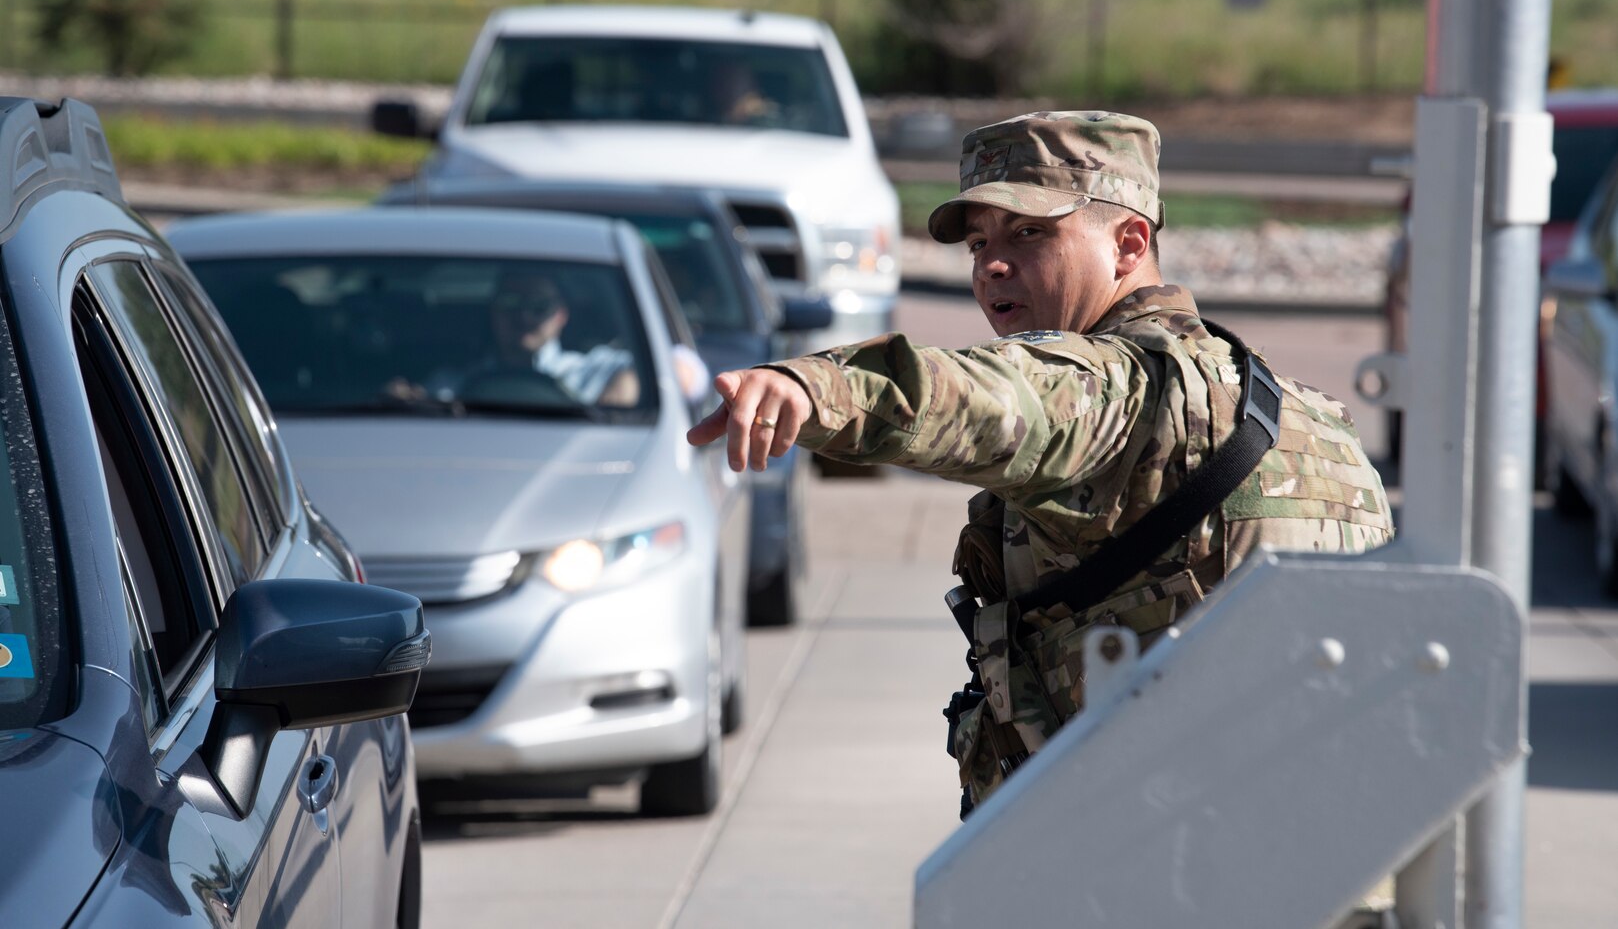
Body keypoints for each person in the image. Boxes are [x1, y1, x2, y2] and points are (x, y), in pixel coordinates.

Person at [686, 110, 1394, 812]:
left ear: (1128, 243)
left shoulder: (1120, 389)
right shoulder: (1313, 415)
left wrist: (819, 388)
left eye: (1030, 233)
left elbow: (988, 396)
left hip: (1160, 844)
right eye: (978, 242)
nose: (990, 264)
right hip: (1335, 834)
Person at [407, 271, 640, 407]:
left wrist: (629, 384)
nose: (524, 317)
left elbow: (651, 369)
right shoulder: (453, 385)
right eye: (510, 303)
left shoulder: (596, 371)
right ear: (493, 312)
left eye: (539, 306)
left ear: (561, 315)